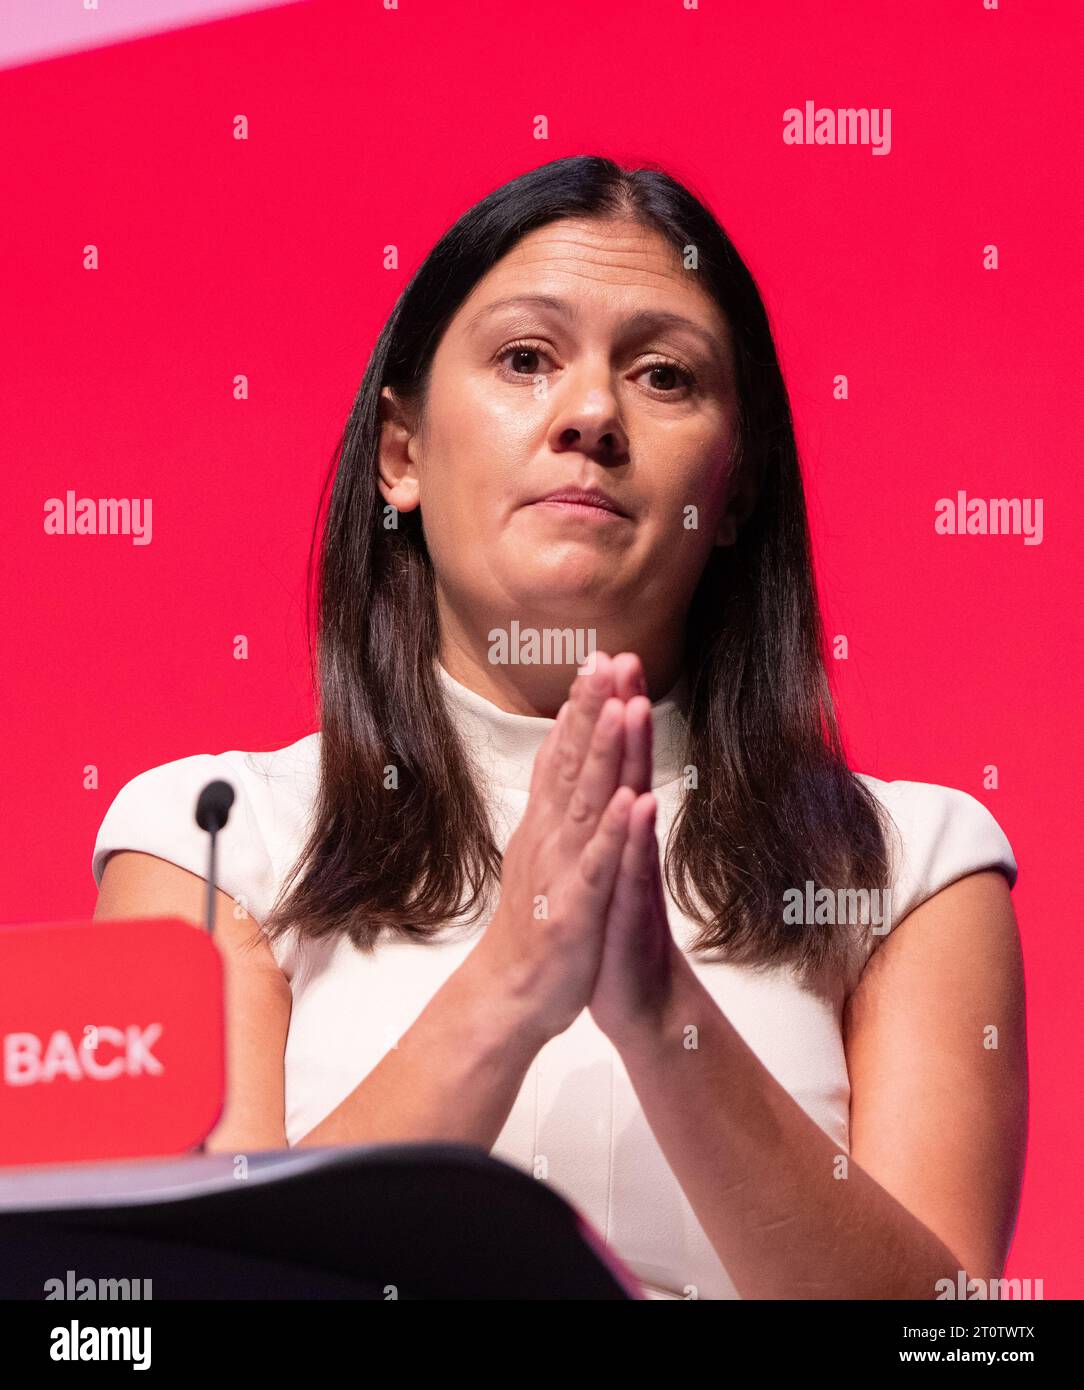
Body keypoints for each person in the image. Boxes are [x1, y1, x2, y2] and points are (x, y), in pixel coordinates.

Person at [92, 155, 1026, 1301]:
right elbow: (185, 1299)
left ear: (734, 494)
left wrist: (660, 1010)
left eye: (665, 375)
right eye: (526, 359)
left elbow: (948, 1338)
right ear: (401, 456)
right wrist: (513, 980)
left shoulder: (912, 866)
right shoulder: (209, 839)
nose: (590, 414)